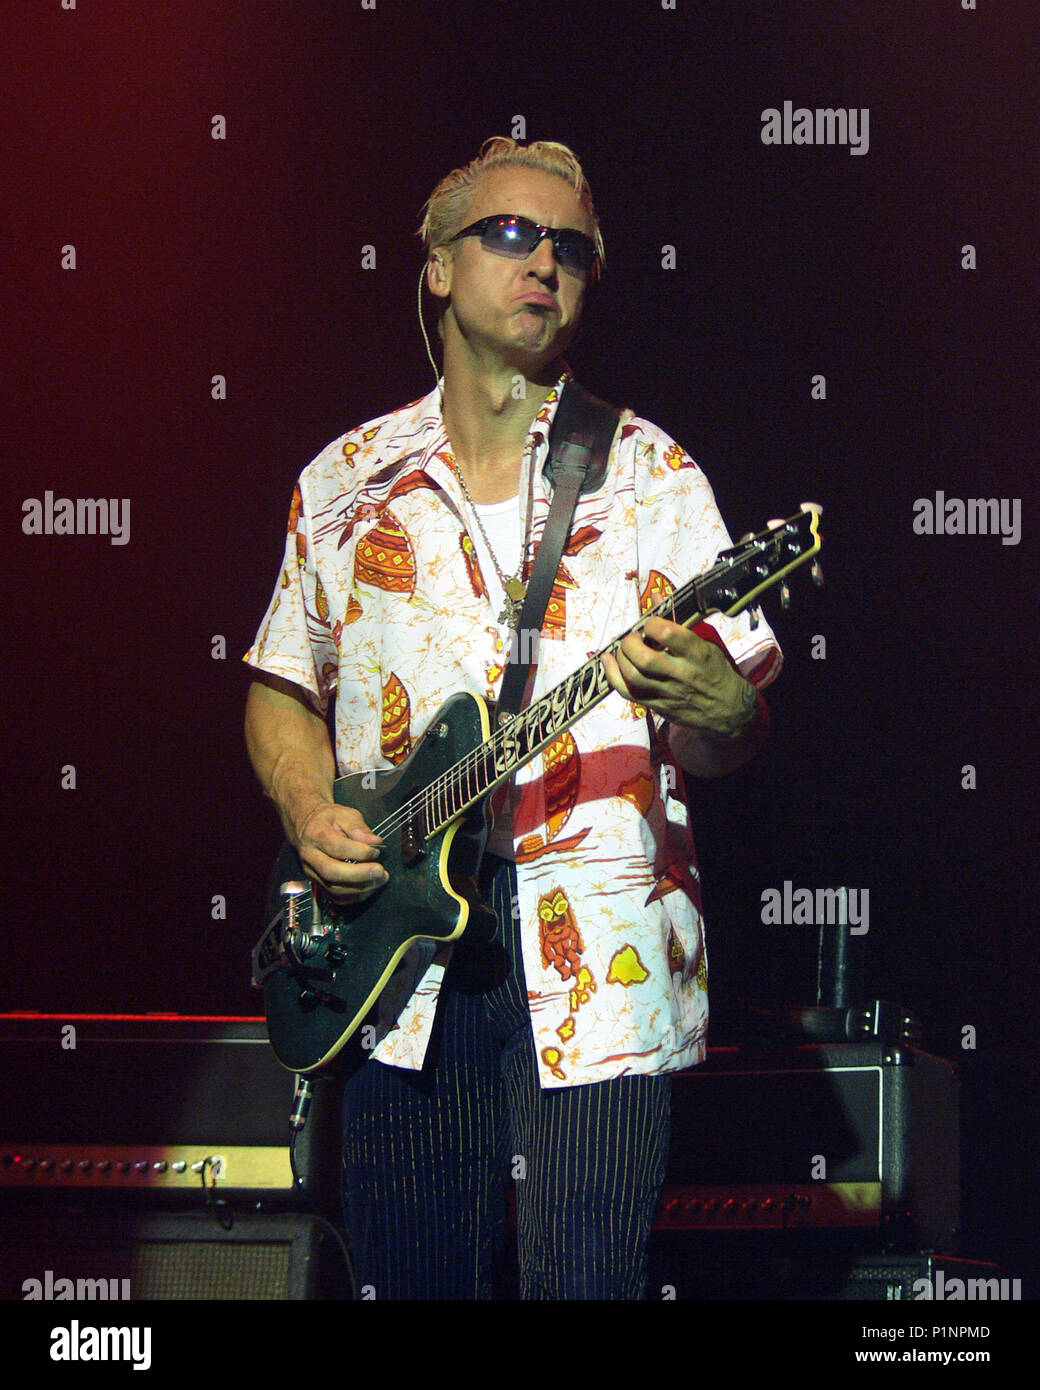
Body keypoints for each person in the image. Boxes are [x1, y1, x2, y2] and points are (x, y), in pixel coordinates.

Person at [243, 137, 781, 1300]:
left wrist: (722, 709)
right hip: (395, 967)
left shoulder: (651, 475)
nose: (545, 260)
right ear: (436, 268)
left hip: (599, 960)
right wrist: (308, 804)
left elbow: (720, 738)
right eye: (510, 233)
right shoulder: (343, 481)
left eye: (570, 248)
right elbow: (282, 686)